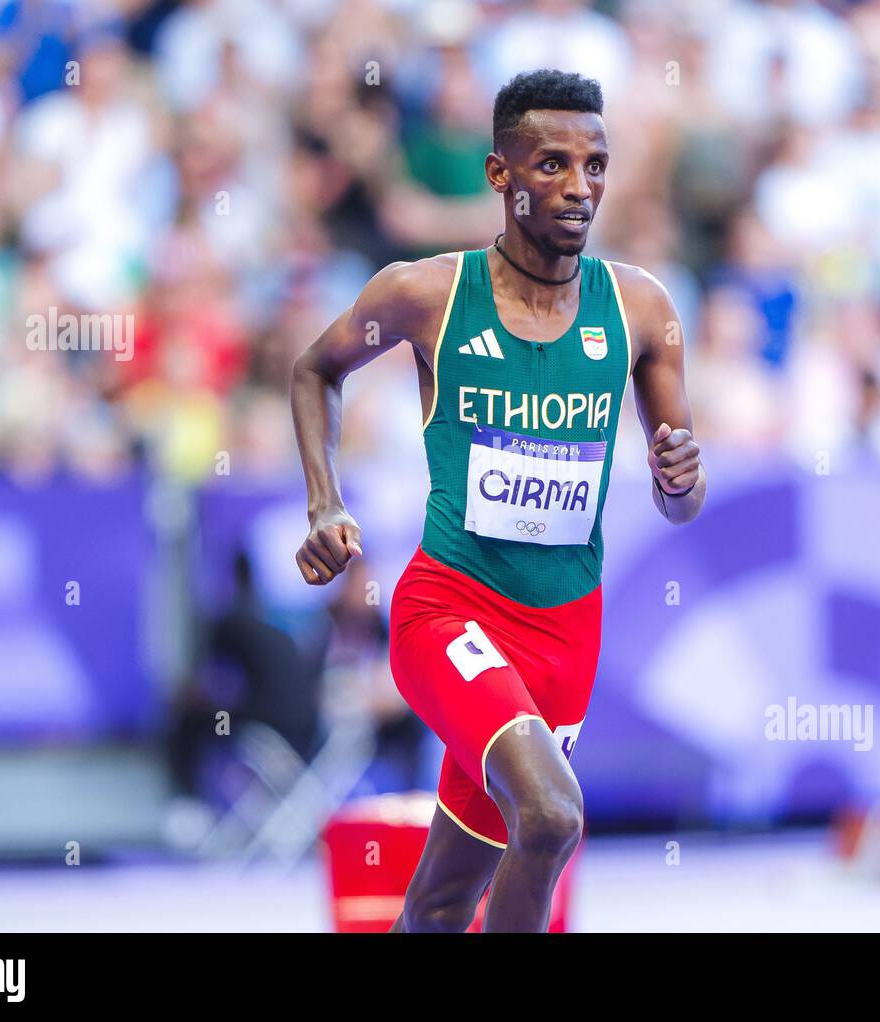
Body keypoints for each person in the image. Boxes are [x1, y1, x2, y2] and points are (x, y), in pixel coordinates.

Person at [290, 69, 705, 932]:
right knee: (551, 815)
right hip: (449, 613)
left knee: (441, 902)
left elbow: (681, 502)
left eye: (595, 165)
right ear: (499, 175)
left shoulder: (640, 309)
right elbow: (314, 370)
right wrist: (324, 502)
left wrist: (683, 481)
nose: (579, 186)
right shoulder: (426, 293)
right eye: (551, 164)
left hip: (565, 638)